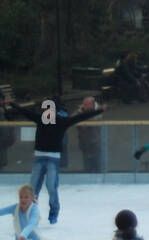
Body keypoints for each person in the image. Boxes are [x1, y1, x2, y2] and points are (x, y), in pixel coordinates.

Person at [2, 96, 104, 224]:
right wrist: (12, 103)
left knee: (51, 186)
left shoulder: (62, 122)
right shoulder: (41, 119)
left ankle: (54, 212)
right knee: (33, 187)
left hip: (53, 159)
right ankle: (30, 211)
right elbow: (25, 112)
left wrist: (98, 111)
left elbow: (79, 118)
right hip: (39, 157)